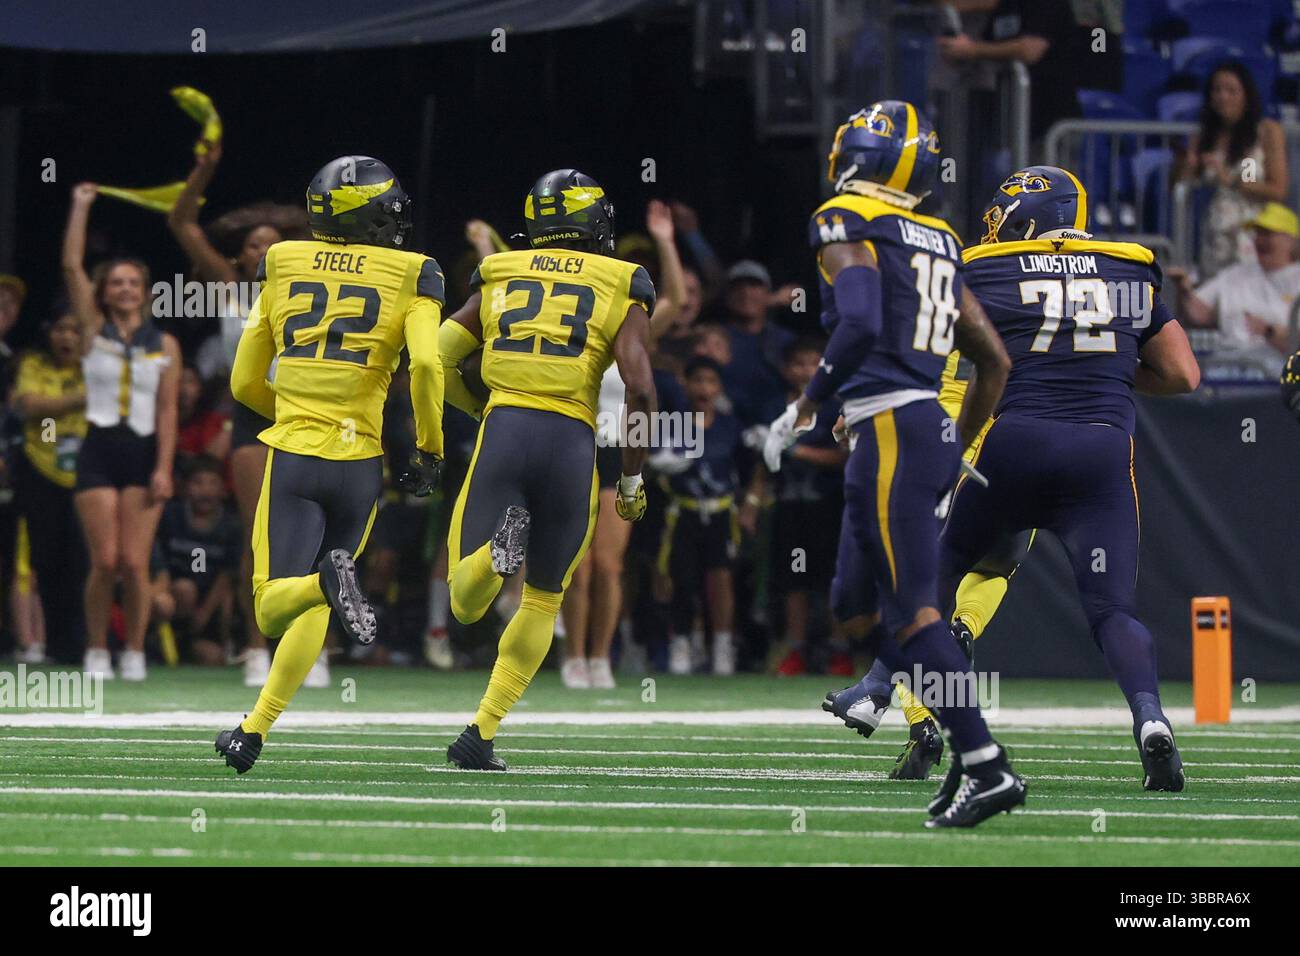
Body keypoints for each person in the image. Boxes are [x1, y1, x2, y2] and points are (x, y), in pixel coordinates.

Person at [765, 101, 1017, 828]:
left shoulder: (845, 216)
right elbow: (991, 358)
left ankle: (986, 764)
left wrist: (809, 399)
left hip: (897, 429)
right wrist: (957, 441)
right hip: (916, 427)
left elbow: (863, 318)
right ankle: (959, 746)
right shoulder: (939, 235)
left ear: (860, 159)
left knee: (914, 614)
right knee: (852, 602)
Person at [940, 165, 1200, 799]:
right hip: (1102, 454)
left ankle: (880, 694)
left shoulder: (986, 268)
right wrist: (1107, 364)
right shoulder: (1127, 267)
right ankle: (1150, 717)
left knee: (935, 564)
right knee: (1113, 611)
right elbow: (1184, 374)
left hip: (1016, 443)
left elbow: (944, 352)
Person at [214, 155, 447, 773]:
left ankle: (325, 581)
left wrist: (291, 410)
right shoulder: (415, 271)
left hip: (295, 454)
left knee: (272, 604)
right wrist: (430, 447)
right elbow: (427, 366)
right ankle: (253, 732)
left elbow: (243, 379)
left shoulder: (282, 261)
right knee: (316, 606)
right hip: (361, 461)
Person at [436, 169, 657, 769]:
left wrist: (468, 409)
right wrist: (632, 480)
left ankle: (494, 556)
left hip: (504, 431)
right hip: (572, 443)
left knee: (464, 600)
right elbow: (640, 390)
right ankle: (481, 732)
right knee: (543, 599)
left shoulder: (500, 272)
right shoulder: (623, 280)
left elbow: (433, 358)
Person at [167, 141, 308, 687]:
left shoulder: (305, 291)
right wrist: (203, 169)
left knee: (307, 532)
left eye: (273, 243)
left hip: (304, 417)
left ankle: (306, 649)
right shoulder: (228, 292)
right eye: (253, 244)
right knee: (259, 534)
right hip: (252, 419)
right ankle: (255, 648)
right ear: (241, 256)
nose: (262, 251)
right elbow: (182, 223)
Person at [561, 199, 687, 689]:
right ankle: (573, 656)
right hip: (578, 446)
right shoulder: (578, 327)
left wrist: (665, 240)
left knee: (611, 564)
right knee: (579, 561)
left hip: (619, 450)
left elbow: (675, 298)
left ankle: (600, 657)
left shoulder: (634, 330)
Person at [63, 182, 182, 681]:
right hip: (99, 448)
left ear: (147, 292)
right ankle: (95, 648)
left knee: (136, 564)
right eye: (116, 283)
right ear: (104, 290)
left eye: (134, 283)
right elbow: (71, 266)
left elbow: (169, 411)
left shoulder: (166, 344)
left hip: (142, 453)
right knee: (106, 559)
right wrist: (81, 205)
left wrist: (163, 468)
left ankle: (134, 648)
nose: (125, 290)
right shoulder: (93, 331)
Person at [743, 337, 849, 677]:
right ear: (786, 369)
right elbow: (764, 463)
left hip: (829, 504)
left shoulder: (835, 408)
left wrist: (796, 451)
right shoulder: (775, 405)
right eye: (798, 363)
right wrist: (752, 502)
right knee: (793, 582)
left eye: (813, 362)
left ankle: (838, 649)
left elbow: (846, 456)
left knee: (834, 578)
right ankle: (796, 649)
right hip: (789, 505)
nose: (806, 370)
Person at [654, 356, 743, 676]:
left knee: (721, 579)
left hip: (720, 512)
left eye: (711, 381)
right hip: (683, 511)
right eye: (698, 380)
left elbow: (748, 468)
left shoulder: (730, 424)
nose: (704, 388)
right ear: (686, 384)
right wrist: (659, 460)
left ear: (719, 387)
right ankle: (681, 642)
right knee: (682, 580)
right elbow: (649, 459)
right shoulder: (671, 423)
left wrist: (752, 503)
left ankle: (721, 646)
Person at [10, 313, 88, 664]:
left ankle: (83, 646)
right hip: (40, 472)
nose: (67, 337)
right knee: (41, 561)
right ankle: (42, 644)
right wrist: (82, 398)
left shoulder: (93, 364)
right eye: (59, 329)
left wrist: (49, 406)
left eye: (74, 329)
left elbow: (41, 406)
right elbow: (28, 406)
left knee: (82, 563)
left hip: (87, 476)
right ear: (49, 334)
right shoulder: (33, 364)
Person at [1176, 62, 1289, 279]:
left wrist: (1230, 180)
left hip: (1253, 233)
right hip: (1216, 234)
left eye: (1231, 90)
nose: (1223, 97)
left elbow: (1278, 189)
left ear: (1246, 94)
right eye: (1217, 90)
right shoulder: (1202, 137)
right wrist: (1186, 165)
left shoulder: (1267, 132)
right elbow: (1182, 184)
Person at [1170, 202, 1300, 376]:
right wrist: (1184, 289)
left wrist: (1268, 331)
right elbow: (1199, 314)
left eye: (1268, 234)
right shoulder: (1236, 274)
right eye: (1258, 234)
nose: (1260, 240)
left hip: (1278, 370)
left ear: (1290, 240)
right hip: (1227, 363)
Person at [155, 456, 241, 664]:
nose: (205, 490)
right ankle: (158, 642)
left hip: (208, 607)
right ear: (185, 488)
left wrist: (204, 613)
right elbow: (159, 563)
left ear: (223, 490)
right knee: (185, 589)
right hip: (175, 597)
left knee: (212, 658)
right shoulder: (170, 516)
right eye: (198, 483)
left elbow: (227, 575)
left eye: (212, 483)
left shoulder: (231, 525)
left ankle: (225, 645)